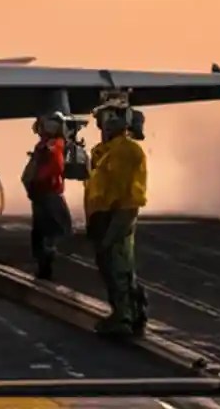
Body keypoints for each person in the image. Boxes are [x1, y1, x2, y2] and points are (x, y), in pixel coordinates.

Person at [84, 98, 148, 336]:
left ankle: (125, 317)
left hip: (119, 212)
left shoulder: (126, 151)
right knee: (110, 265)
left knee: (118, 266)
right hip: (104, 214)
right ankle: (126, 313)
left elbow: (124, 189)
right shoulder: (106, 151)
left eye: (106, 118)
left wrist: (116, 221)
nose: (101, 124)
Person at [21, 113, 73, 280]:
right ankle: (45, 263)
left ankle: (46, 264)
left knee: (47, 231)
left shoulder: (51, 146)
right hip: (44, 194)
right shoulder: (47, 146)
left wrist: (39, 180)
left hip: (46, 194)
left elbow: (55, 167)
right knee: (45, 231)